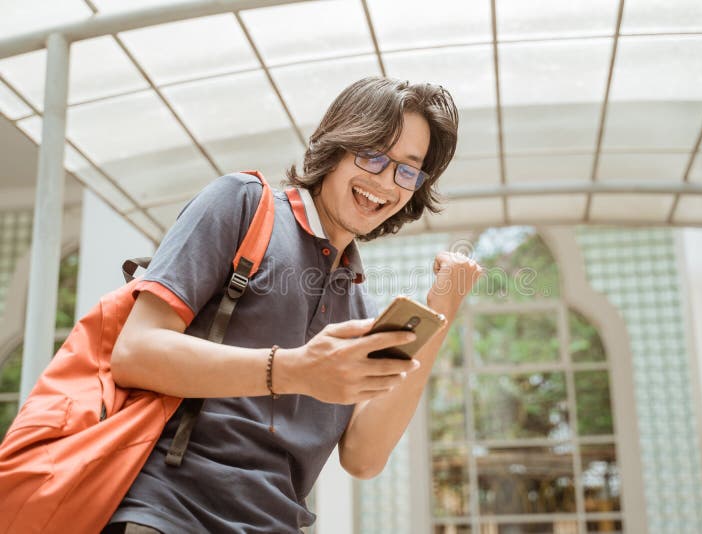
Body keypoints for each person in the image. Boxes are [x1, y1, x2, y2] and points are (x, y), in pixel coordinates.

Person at [104, 76, 482, 533]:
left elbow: (363, 457)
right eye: (372, 153)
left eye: (407, 169)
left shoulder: (360, 303)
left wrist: (439, 317)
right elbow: (135, 353)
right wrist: (293, 370)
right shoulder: (241, 204)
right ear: (335, 145)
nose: (385, 181)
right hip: (169, 511)